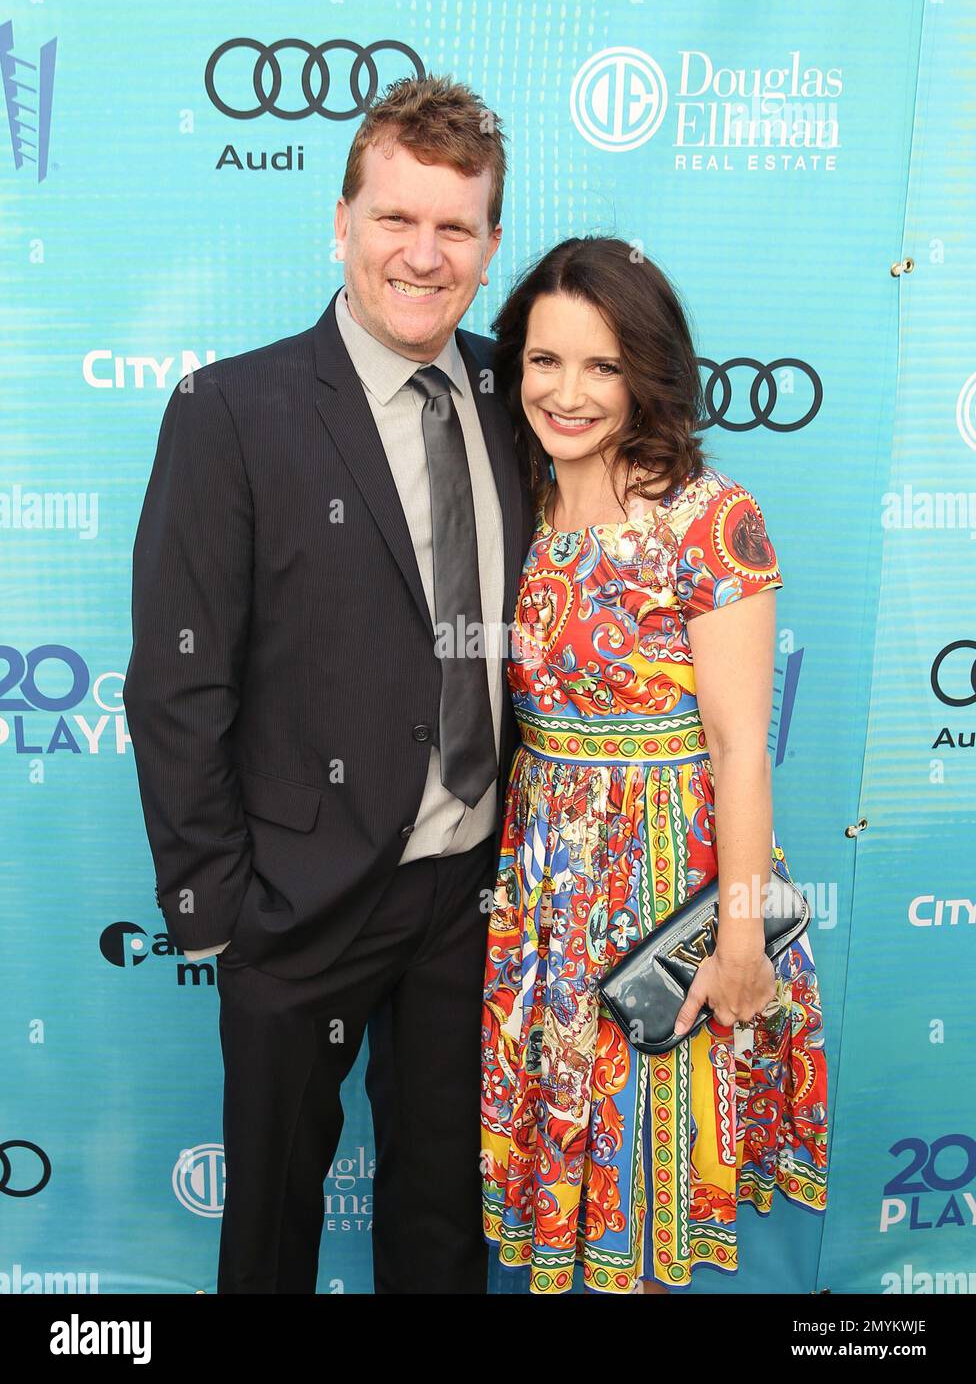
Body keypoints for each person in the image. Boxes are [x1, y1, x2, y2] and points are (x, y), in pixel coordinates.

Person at [123, 74, 532, 1294]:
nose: (423, 254)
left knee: (444, 1228)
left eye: (454, 227)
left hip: (468, 891)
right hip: (295, 904)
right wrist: (224, 910)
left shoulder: (523, 399)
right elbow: (178, 682)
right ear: (342, 222)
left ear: (490, 245)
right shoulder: (232, 410)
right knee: (268, 1243)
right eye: (395, 219)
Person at [479, 236, 829, 1295]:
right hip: (542, 883)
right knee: (562, 1163)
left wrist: (737, 934)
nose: (568, 392)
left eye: (603, 365)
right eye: (545, 361)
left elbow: (738, 750)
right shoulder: (522, 505)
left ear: (650, 372)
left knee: (647, 1152)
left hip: (664, 877)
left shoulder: (709, 519)